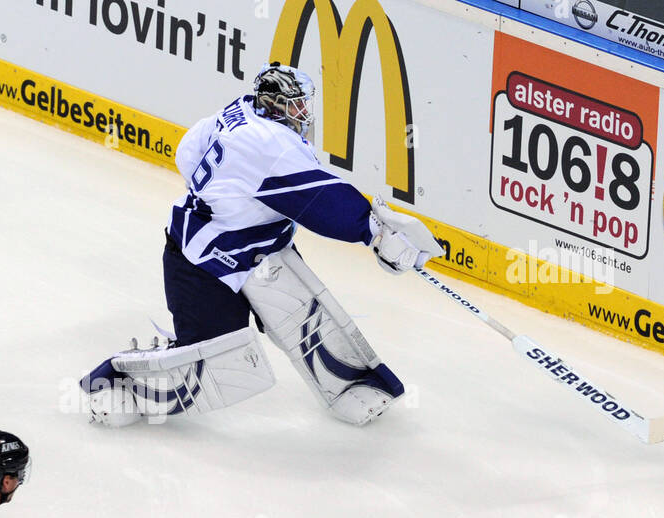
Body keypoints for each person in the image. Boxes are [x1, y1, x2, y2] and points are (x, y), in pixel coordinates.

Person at [80, 62, 443, 427]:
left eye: (305, 104)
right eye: (296, 104)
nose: (304, 113)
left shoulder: (242, 111)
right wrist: (374, 233)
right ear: (274, 103)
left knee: (305, 321)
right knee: (219, 361)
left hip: (261, 247)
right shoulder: (269, 145)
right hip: (203, 260)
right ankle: (117, 382)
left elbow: (187, 151)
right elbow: (320, 200)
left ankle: (350, 384)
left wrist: (231, 201)